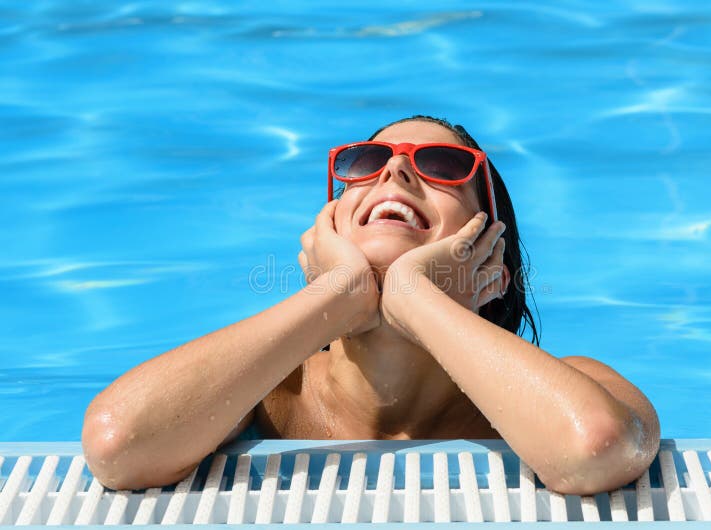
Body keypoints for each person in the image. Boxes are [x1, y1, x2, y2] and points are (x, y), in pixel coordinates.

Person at [81, 115, 660, 496]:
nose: (398, 168)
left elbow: (597, 448)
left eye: (444, 165)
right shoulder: (270, 394)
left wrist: (414, 297)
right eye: (365, 161)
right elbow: (117, 446)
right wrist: (338, 294)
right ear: (327, 228)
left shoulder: (565, 386)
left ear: (492, 266)